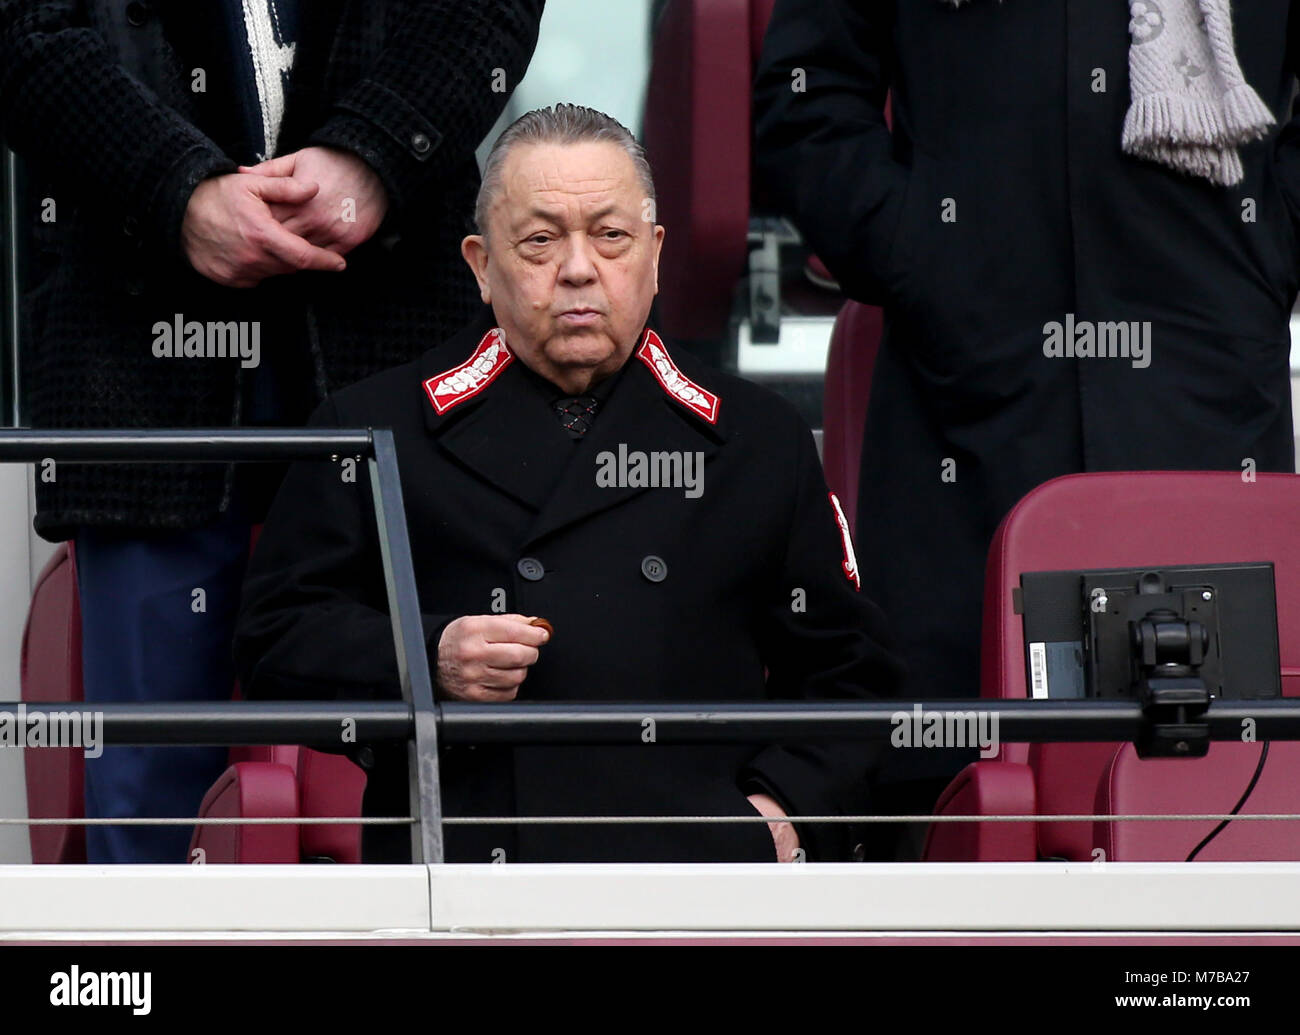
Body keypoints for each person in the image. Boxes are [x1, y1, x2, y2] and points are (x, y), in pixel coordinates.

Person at [234, 104, 904, 864]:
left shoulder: (757, 438)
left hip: (691, 886)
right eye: (541, 240)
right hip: (464, 891)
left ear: (655, 255)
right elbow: (275, 643)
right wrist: (428, 655)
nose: (579, 269)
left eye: (611, 236)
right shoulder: (374, 429)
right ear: (481, 266)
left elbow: (853, 675)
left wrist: (780, 814)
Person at [1, 0, 544, 862]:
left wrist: (375, 152)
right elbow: (22, 30)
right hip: (139, 361)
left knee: (419, 783)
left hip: (391, 331)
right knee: (152, 807)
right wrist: (172, 186)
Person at [753, 0, 1299, 850]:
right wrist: (914, 249)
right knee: (961, 801)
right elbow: (807, 92)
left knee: (1221, 792)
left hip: (1205, 373)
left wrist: (1266, 255)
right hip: (968, 403)